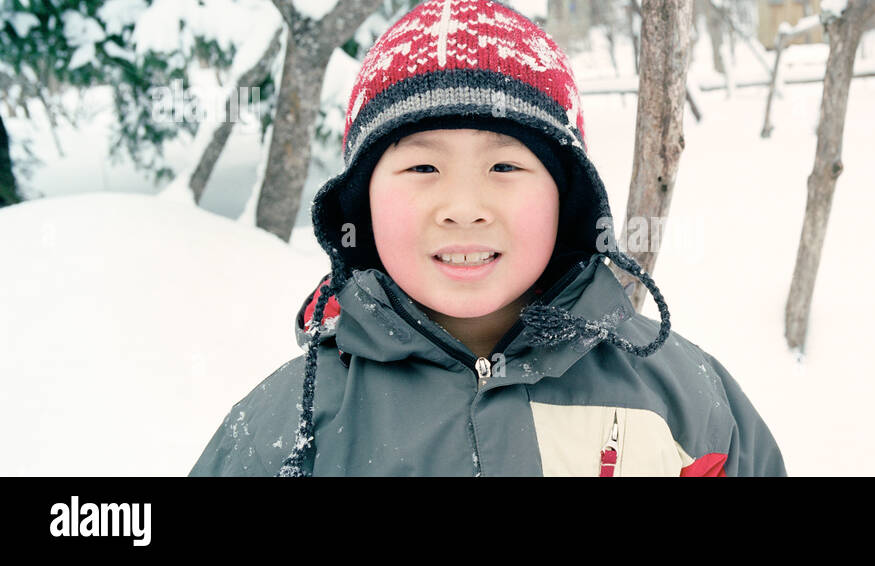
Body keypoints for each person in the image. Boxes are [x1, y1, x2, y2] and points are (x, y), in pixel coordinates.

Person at [189, 0, 784, 477]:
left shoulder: (677, 400)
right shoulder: (290, 434)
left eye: (505, 167)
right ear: (361, 205)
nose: (465, 210)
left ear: (566, 198)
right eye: (423, 168)